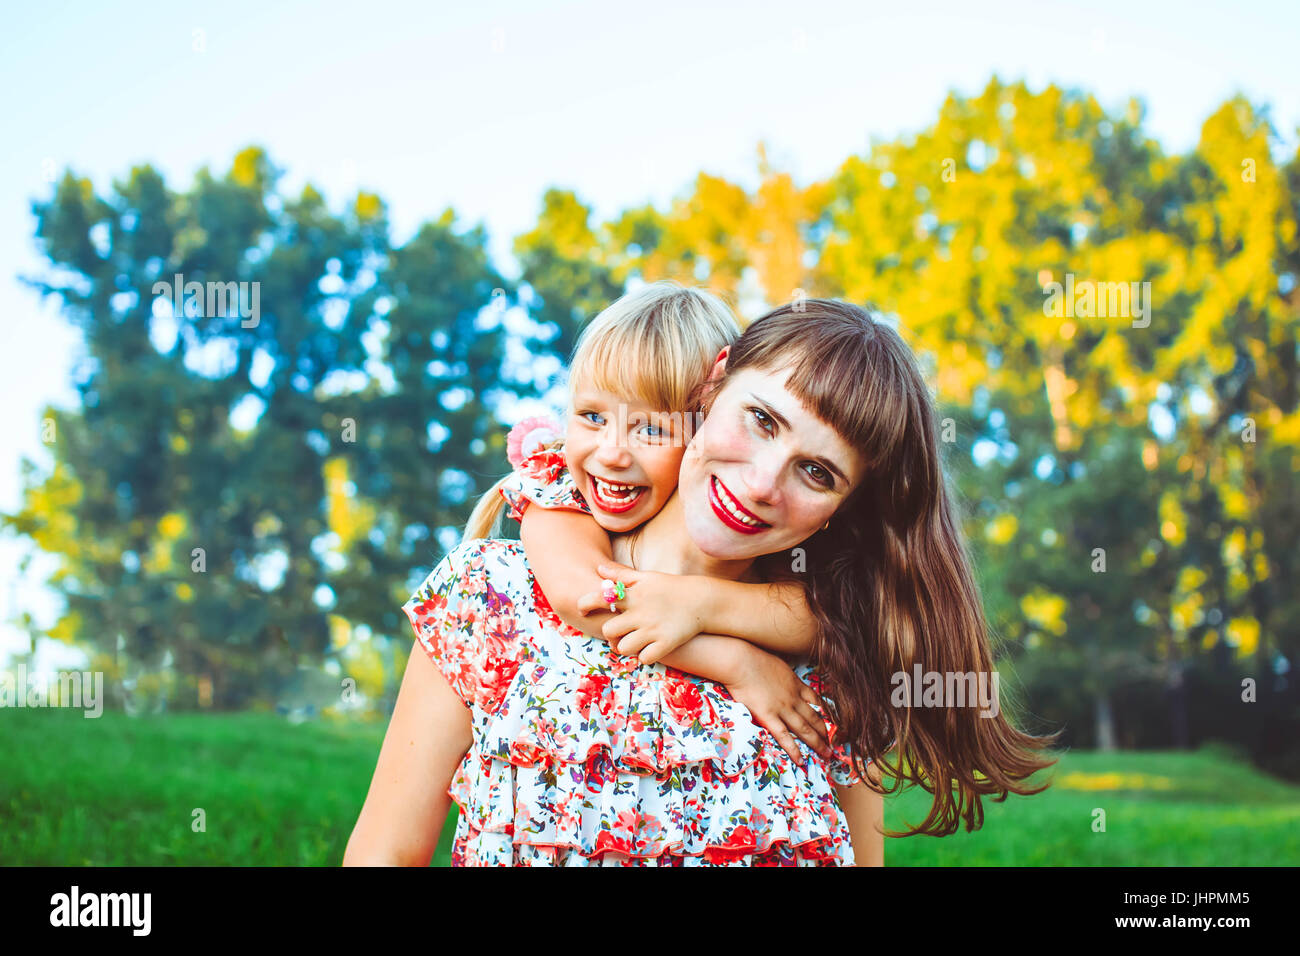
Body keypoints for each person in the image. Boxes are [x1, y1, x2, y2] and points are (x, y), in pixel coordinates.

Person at [345, 293, 1060, 866]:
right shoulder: (496, 594)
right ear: (714, 384)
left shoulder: (836, 665)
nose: (759, 485)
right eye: (759, 420)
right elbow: (385, 852)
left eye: (817, 473)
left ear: (842, 510)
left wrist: (706, 611)